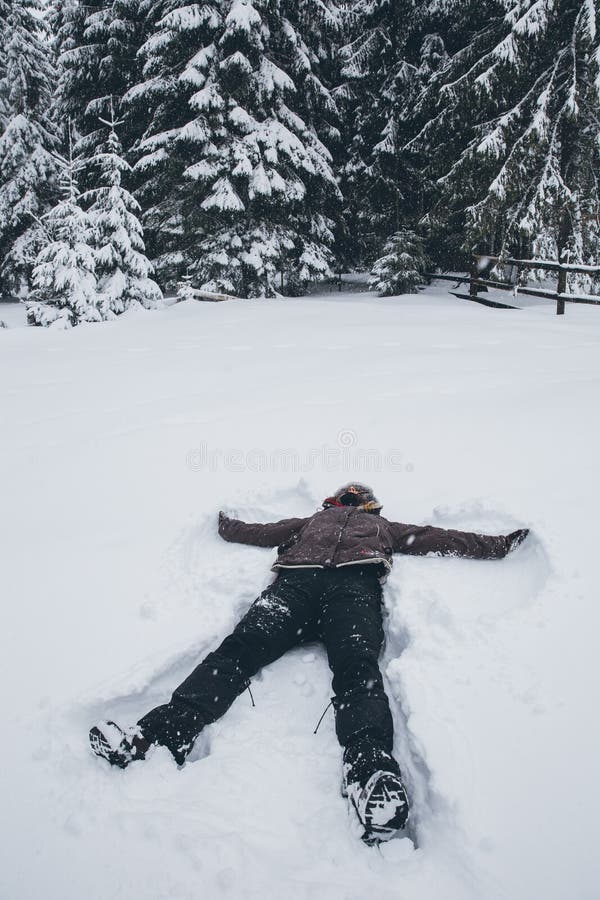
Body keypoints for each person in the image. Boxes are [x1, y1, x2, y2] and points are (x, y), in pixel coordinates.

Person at [89, 483, 529, 844]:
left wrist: (496, 545)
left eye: (359, 497)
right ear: (334, 502)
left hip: (354, 588)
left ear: (370, 506)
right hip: (295, 587)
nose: (352, 501)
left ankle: (370, 771)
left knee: (358, 666)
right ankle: (159, 737)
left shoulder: (383, 527)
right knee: (240, 647)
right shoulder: (310, 522)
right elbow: (264, 531)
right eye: (347, 496)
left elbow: (436, 537)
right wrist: (228, 527)